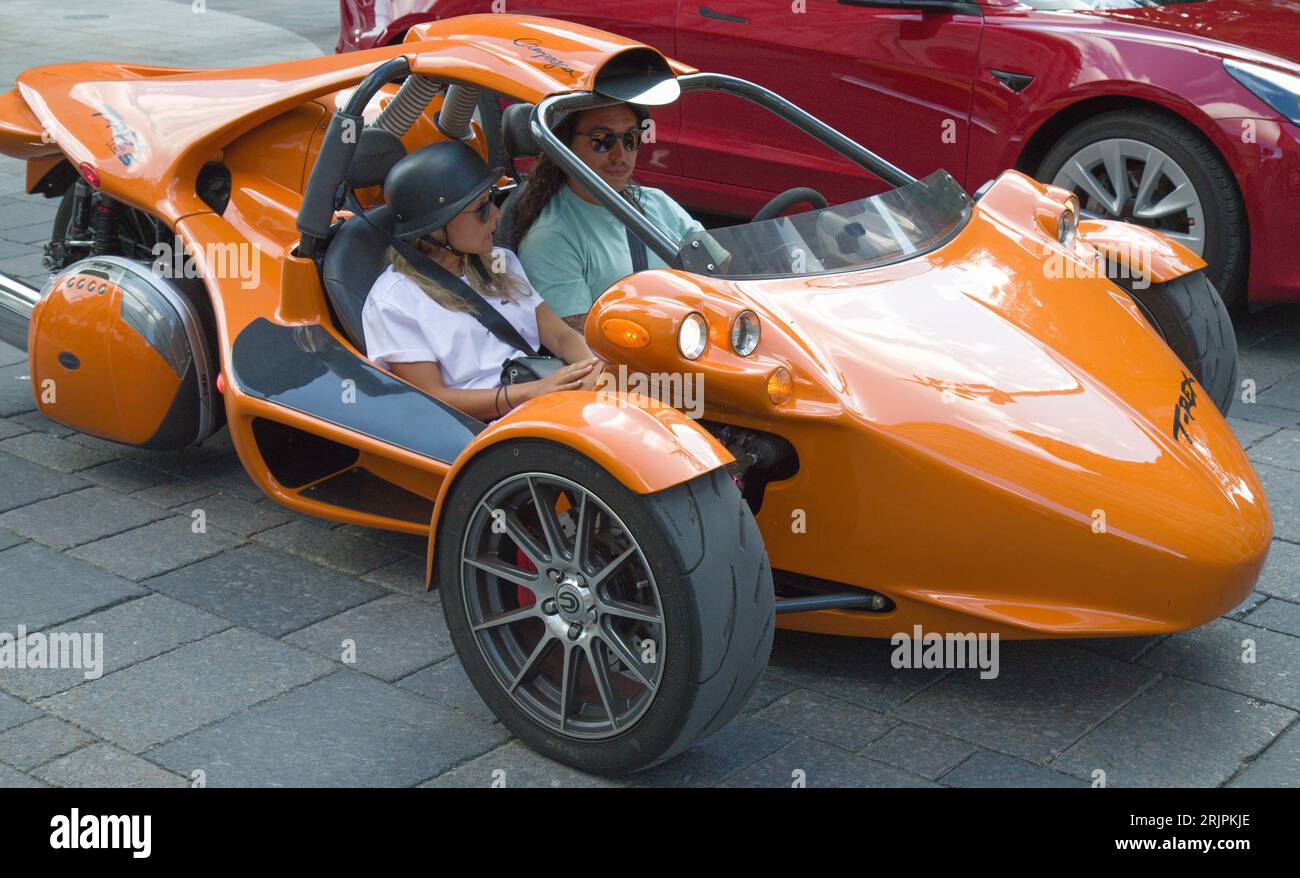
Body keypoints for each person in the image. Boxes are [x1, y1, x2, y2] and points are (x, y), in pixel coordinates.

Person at [362, 141, 603, 422]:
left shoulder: (500, 262)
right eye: (482, 208)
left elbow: (561, 336)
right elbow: (433, 399)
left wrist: (593, 368)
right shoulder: (393, 301)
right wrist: (533, 393)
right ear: (437, 227)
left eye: (493, 199)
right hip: (483, 430)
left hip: (540, 396)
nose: (497, 214)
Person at [514, 102, 705, 330]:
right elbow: (584, 345)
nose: (620, 155)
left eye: (630, 139)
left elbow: (723, 270)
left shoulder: (657, 203)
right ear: (565, 146)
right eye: (602, 140)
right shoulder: (550, 238)